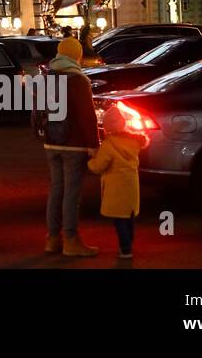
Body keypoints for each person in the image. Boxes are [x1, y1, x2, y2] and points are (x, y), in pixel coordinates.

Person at [38, 35, 100, 256]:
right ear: (77, 56)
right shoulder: (77, 79)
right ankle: (71, 241)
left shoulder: (48, 77)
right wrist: (94, 144)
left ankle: (52, 239)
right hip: (74, 144)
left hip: (51, 142)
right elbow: (87, 116)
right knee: (71, 194)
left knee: (56, 190)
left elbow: (37, 111)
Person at [87, 104, 148, 260]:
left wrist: (90, 160)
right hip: (131, 186)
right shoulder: (133, 142)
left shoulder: (108, 145)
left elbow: (98, 166)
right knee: (129, 217)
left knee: (119, 220)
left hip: (116, 190)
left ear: (107, 127)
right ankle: (129, 244)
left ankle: (125, 249)